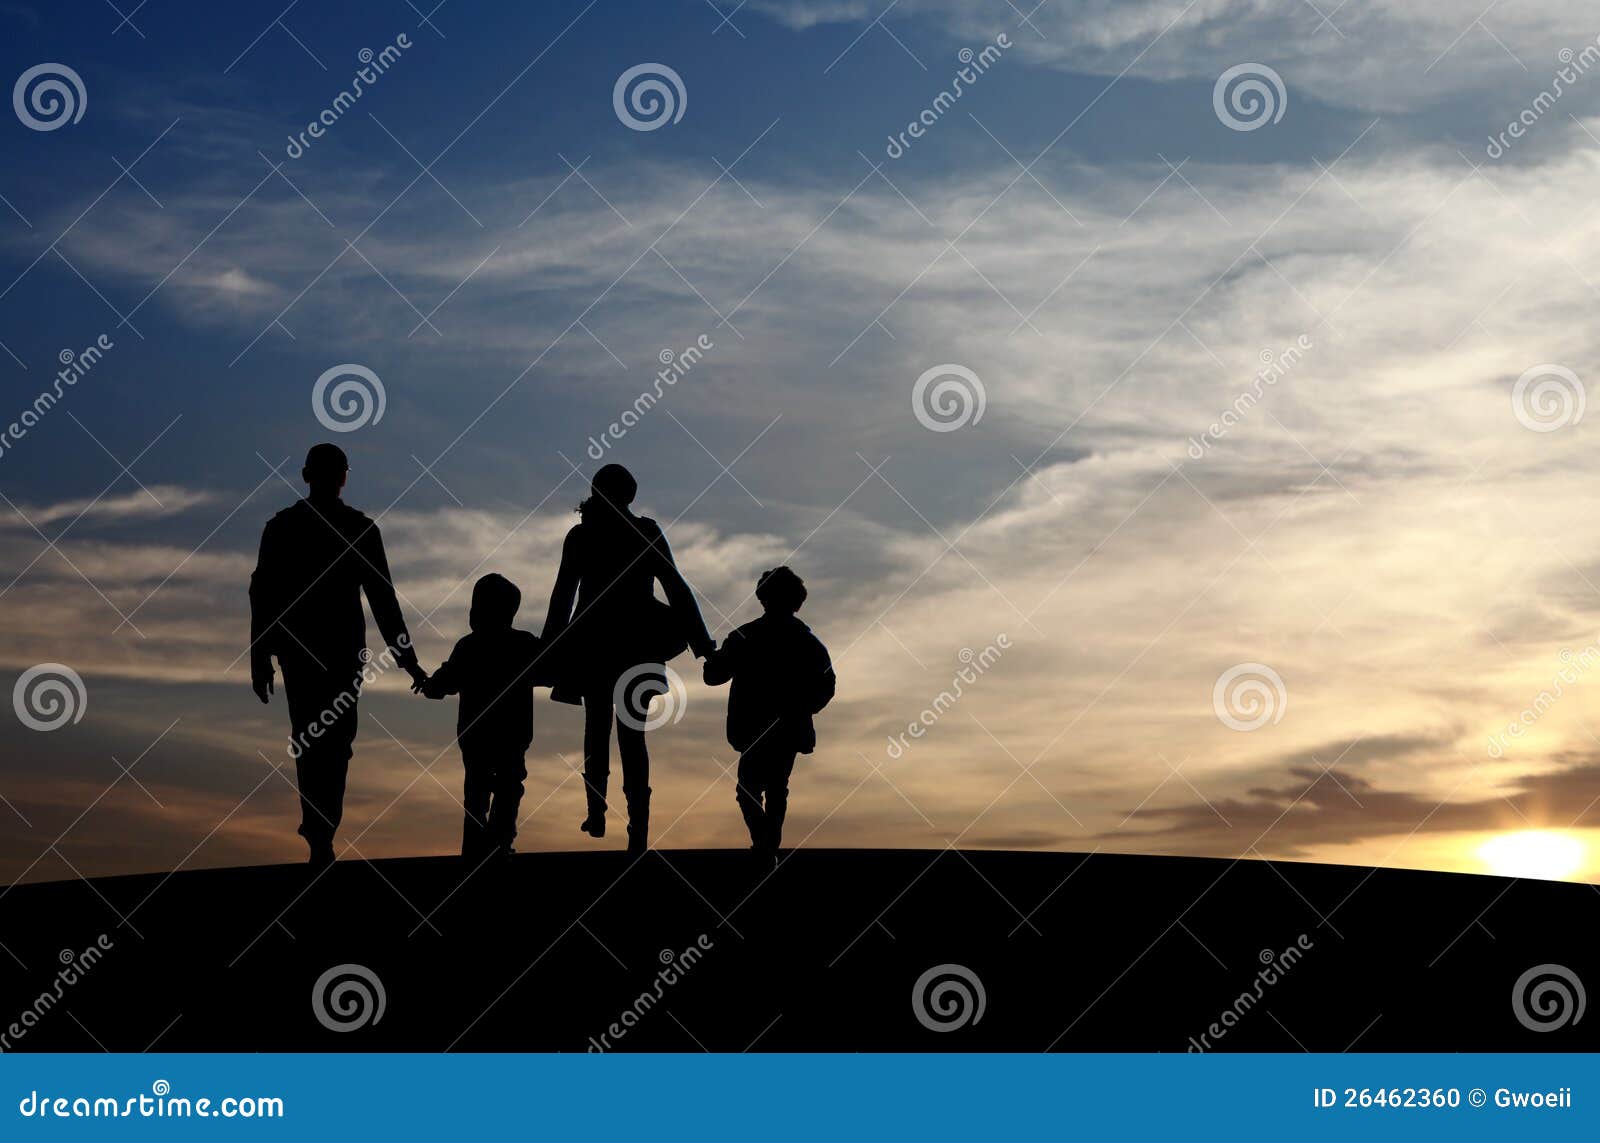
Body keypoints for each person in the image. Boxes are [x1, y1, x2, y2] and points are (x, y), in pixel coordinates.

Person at [249, 443, 427, 867]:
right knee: (321, 742)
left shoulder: (335, 528)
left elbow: (382, 598)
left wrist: (407, 659)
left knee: (324, 741)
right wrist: (260, 655)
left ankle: (321, 832)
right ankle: (320, 834)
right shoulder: (295, 527)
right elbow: (264, 594)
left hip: (332, 653)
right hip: (313, 652)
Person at [543, 464, 716, 855]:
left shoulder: (582, 535)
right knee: (632, 734)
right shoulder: (644, 531)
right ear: (630, 494)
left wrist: (548, 648)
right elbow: (676, 588)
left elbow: (563, 596)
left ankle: (598, 813)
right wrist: (702, 644)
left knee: (597, 727)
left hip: (595, 643)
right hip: (637, 642)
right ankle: (636, 827)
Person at [702, 566, 835, 866]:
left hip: (756, 726)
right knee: (775, 788)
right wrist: (803, 708)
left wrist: (712, 658)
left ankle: (765, 847)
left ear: (763, 598)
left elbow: (713, 675)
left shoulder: (745, 637)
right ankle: (767, 847)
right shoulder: (807, 643)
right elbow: (827, 685)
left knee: (750, 789)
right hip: (786, 728)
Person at [417, 573, 552, 861]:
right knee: (508, 786)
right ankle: (499, 843)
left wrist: (429, 685)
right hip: (512, 735)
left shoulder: (468, 646)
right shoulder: (523, 644)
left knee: (476, 792)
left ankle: (475, 849)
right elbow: (549, 673)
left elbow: (444, 683)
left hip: (476, 736)